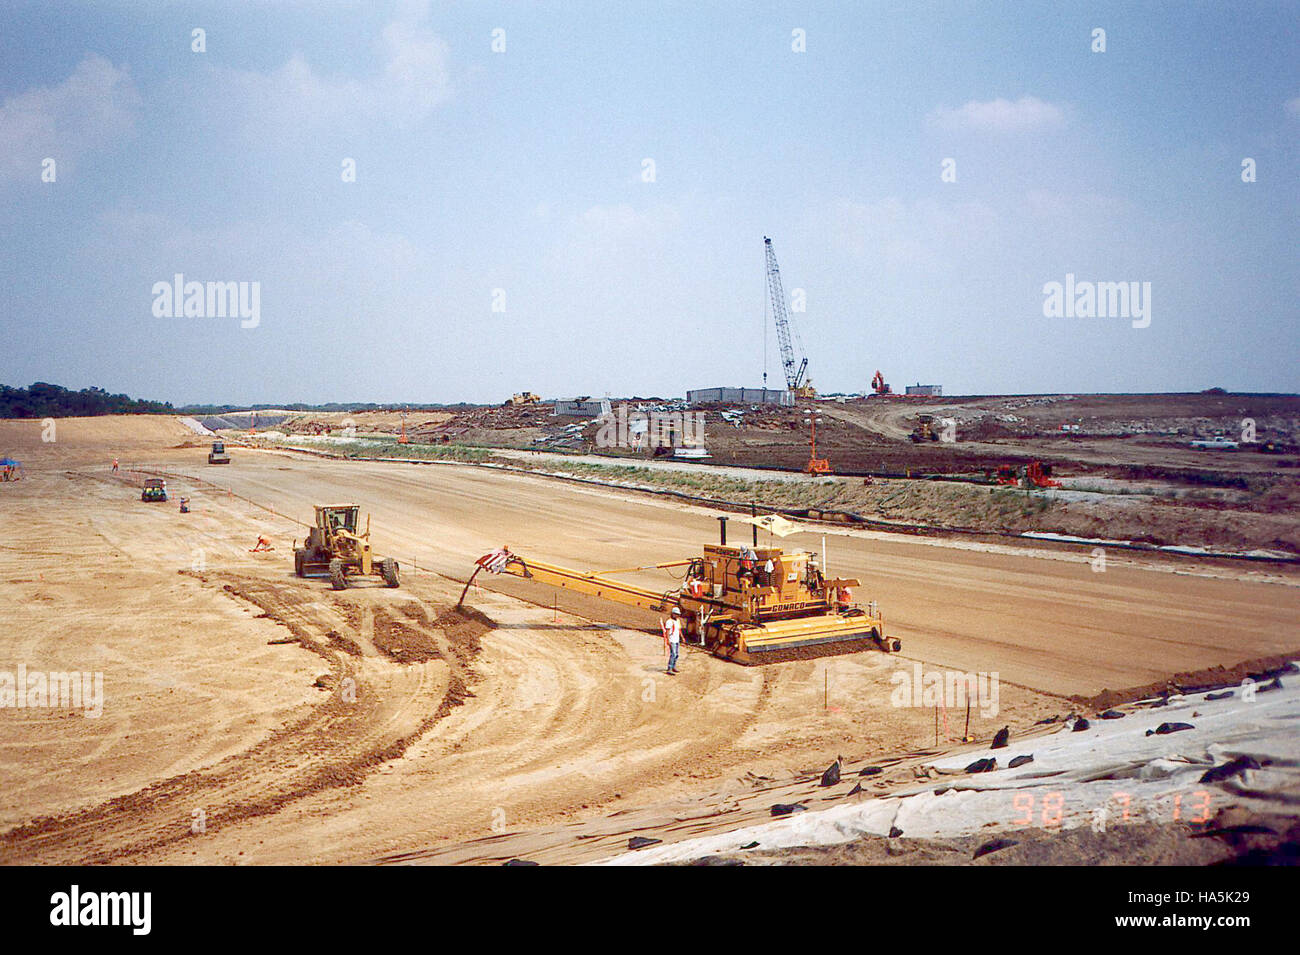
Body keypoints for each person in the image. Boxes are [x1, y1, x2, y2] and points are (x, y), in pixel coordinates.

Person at [662, 607, 682, 675]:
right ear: (672, 613)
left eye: (678, 614)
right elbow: (667, 631)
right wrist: (668, 640)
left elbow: (679, 629)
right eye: (675, 614)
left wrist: (682, 637)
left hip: (676, 640)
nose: (677, 615)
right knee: (673, 654)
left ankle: (674, 666)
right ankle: (669, 668)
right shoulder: (669, 621)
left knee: (676, 654)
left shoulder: (678, 621)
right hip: (672, 640)